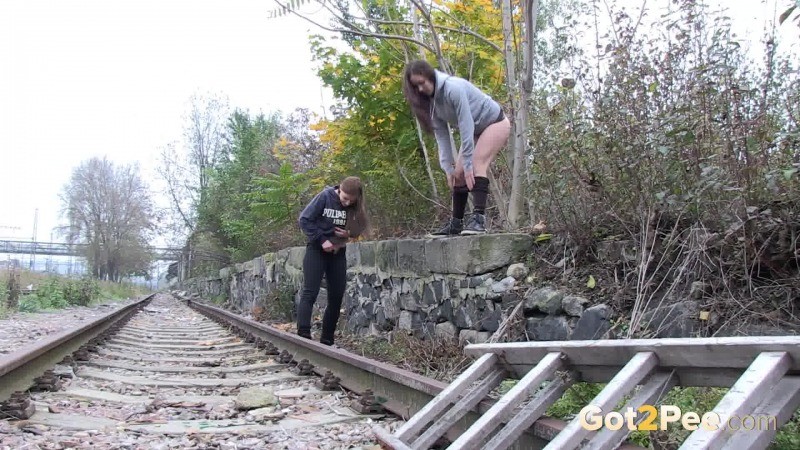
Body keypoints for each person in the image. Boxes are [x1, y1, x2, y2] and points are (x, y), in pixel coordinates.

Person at [403, 59, 511, 236]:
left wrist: (468, 162)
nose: (421, 89)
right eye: (416, 87)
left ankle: (479, 220)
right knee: (457, 175)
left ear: (430, 76)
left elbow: (465, 123)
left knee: (476, 165)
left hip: (495, 122)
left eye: (422, 83)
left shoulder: (454, 88)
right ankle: (456, 223)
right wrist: (447, 168)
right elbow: (442, 136)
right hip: (476, 130)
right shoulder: (432, 104)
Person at [296, 176, 369, 346]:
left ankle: (327, 339)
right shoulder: (325, 196)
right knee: (310, 291)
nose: (346, 203)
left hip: (338, 253)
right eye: (344, 199)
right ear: (339, 191)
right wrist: (322, 240)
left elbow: (360, 228)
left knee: (336, 297)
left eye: (350, 201)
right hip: (317, 250)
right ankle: (303, 334)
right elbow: (304, 220)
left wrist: (348, 234)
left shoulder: (356, 205)